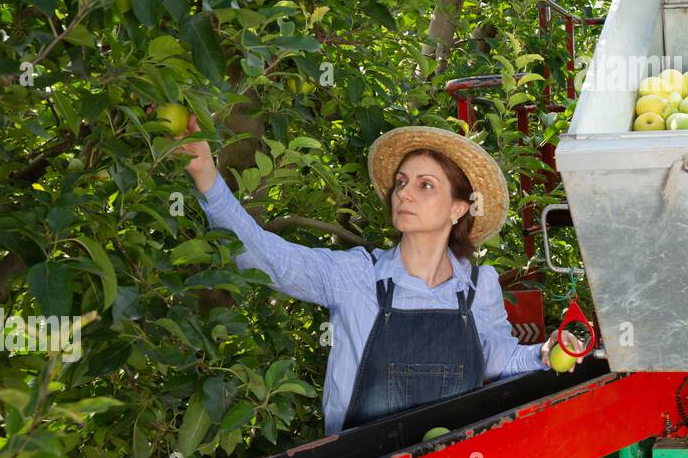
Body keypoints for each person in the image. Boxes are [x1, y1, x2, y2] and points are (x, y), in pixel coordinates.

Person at [180, 121, 582, 434]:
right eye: (402, 183)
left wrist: (542, 355)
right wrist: (206, 175)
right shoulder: (357, 274)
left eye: (426, 185)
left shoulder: (479, 287)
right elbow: (265, 258)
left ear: (459, 209)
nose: (404, 194)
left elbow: (495, 357)